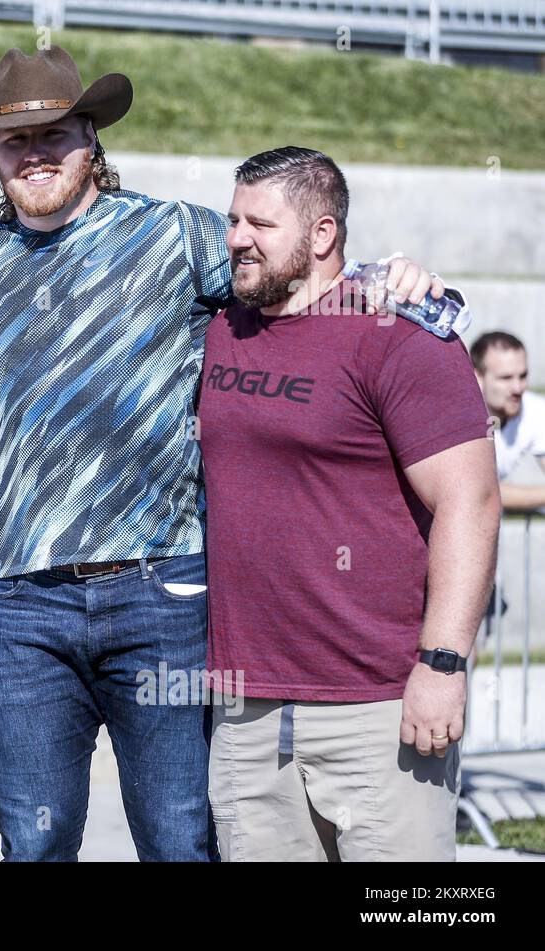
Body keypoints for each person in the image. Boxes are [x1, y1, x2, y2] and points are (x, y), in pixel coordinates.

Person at [0, 45, 447, 861]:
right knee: (32, 841)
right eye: (15, 140)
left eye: (57, 133)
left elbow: (294, 284)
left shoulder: (174, 234)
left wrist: (397, 282)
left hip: (162, 593)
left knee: (183, 839)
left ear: (94, 140)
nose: (36, 152)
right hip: (22, 604)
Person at [201, 146, 500, 861]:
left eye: (260, 224)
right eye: (233, 218)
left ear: (323, 235)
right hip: (248, 709)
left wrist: (444, 663)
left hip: (381, 704)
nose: (237, 237)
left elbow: (472, 501)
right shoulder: (219, 327)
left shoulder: (401, 336)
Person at [471, 331, 545, 512]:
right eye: (506, 378)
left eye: (522, 376)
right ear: (477, 377)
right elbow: (477, 492)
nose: (517, 388)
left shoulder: (534, 409)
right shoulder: (454, 418)